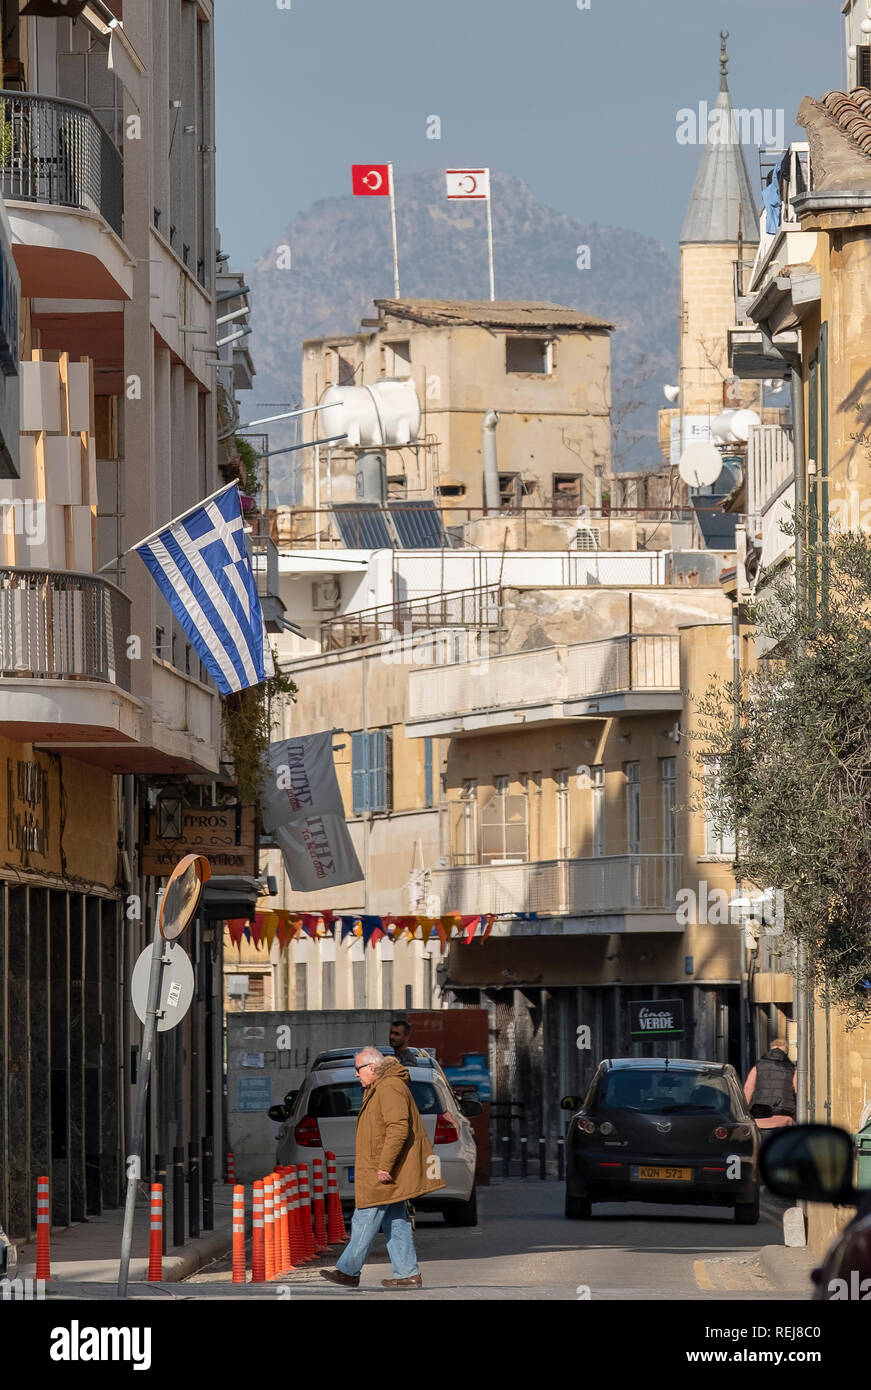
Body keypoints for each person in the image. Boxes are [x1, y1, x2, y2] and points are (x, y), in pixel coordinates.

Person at [320, 1047, 445, 1289]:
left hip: (383, 1168)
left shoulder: (388, 1086)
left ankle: (348, 1270)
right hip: (381, 1167)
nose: (356, 1075)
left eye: (357, 1070)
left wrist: (385, 1166)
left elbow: (398, 1128)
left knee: (365, 1216)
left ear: (372, 1068)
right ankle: (408, 1274)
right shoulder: (382, 1085)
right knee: (395, 1219)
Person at [743, 1037, 797, 1129]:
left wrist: (744, 1111)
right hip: (784, 1119)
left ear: (771, 1049)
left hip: (760, 1118)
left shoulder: (758, 1067)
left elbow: (748, 1090)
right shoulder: (792, 1069)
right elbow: (798, 1090)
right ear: (786, 1052)